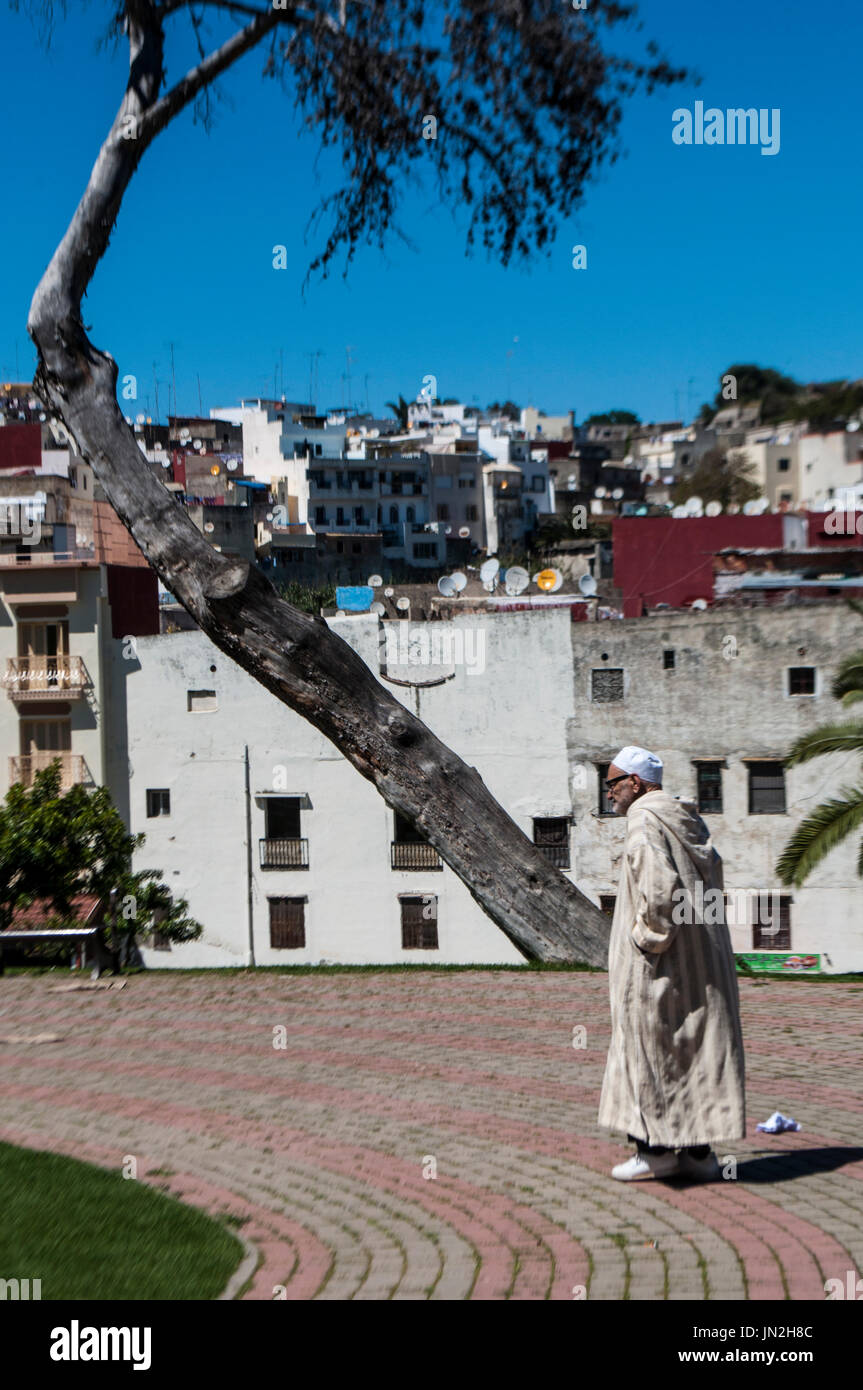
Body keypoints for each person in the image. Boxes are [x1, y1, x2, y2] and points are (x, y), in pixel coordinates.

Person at [597, 746, 745, 1182]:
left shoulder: (644, 820)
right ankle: (700, 1156)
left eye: (612, 783)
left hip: (659, 965)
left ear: (635, 784)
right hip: (704, 963)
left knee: (649, 1050)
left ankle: (655, 1151)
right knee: (698, 1052)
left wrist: (645, 941)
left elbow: (659, 892)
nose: (609, 794)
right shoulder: (688, 819)